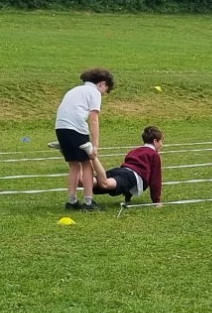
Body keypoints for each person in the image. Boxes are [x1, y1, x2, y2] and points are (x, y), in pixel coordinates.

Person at [55, 68, 118, 209]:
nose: (104, 93)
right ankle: (89, 202)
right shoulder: (94, 92)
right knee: (87, 163)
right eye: (106, 89)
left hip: (60, 127)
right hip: (76, 128)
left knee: (74, 165)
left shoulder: (74, 90)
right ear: (102, 83)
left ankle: (72, 201)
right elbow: (94, 119)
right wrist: (95, 145)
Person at [97, 126, 166, 205]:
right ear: (155, 141)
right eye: (161, 141)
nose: (161, 144)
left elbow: (128, 182)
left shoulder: (134, 151)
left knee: (94, 181)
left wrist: (128, 198)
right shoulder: (154, 154)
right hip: (131, 176)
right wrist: (156, 201)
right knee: (106, 184)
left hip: (119, 170)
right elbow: (155, 180)